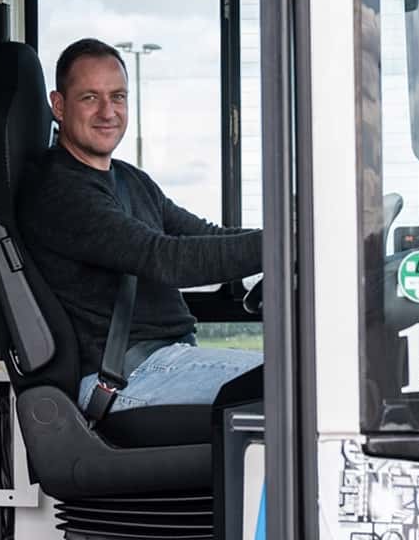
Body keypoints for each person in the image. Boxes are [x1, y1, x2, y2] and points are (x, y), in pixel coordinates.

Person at [19, 38, 262, 414]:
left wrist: (287, 239)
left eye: (117, 97)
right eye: (90, 98)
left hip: (170, 363)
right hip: (124, 378)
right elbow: (167, 258)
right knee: (300, 379)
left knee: (300, 372)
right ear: (59, 106)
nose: (107, 111)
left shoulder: (129, 180)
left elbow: (203, 236)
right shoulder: (58, 191)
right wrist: (283, 247)